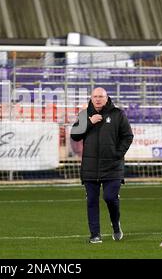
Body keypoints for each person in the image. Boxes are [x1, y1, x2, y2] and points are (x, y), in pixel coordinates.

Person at [70, 87, 134, 244]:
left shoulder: (118, 114)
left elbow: (128, 136)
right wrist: (89, 123)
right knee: (91, 200)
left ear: (107, 98)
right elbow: (75, 135)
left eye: (101, 96)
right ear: (91, 98)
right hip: (90, 167)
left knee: (110, 197)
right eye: (95, 96)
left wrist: (117, 155)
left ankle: (115, 224)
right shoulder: (85, 115)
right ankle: (95, 234)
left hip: (112, 166)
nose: (98, 99)